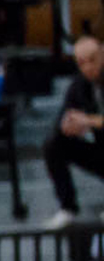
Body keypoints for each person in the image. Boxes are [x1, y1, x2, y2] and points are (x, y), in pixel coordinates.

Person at [44, 35, 104, 242]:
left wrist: (89, 120)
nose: (88, 67)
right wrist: (69, 125)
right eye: (81, 62)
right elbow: (64, 117)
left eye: (92, 59)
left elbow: (90, 120)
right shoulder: (79, 85)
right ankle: (67, 207)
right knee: (54, 144)